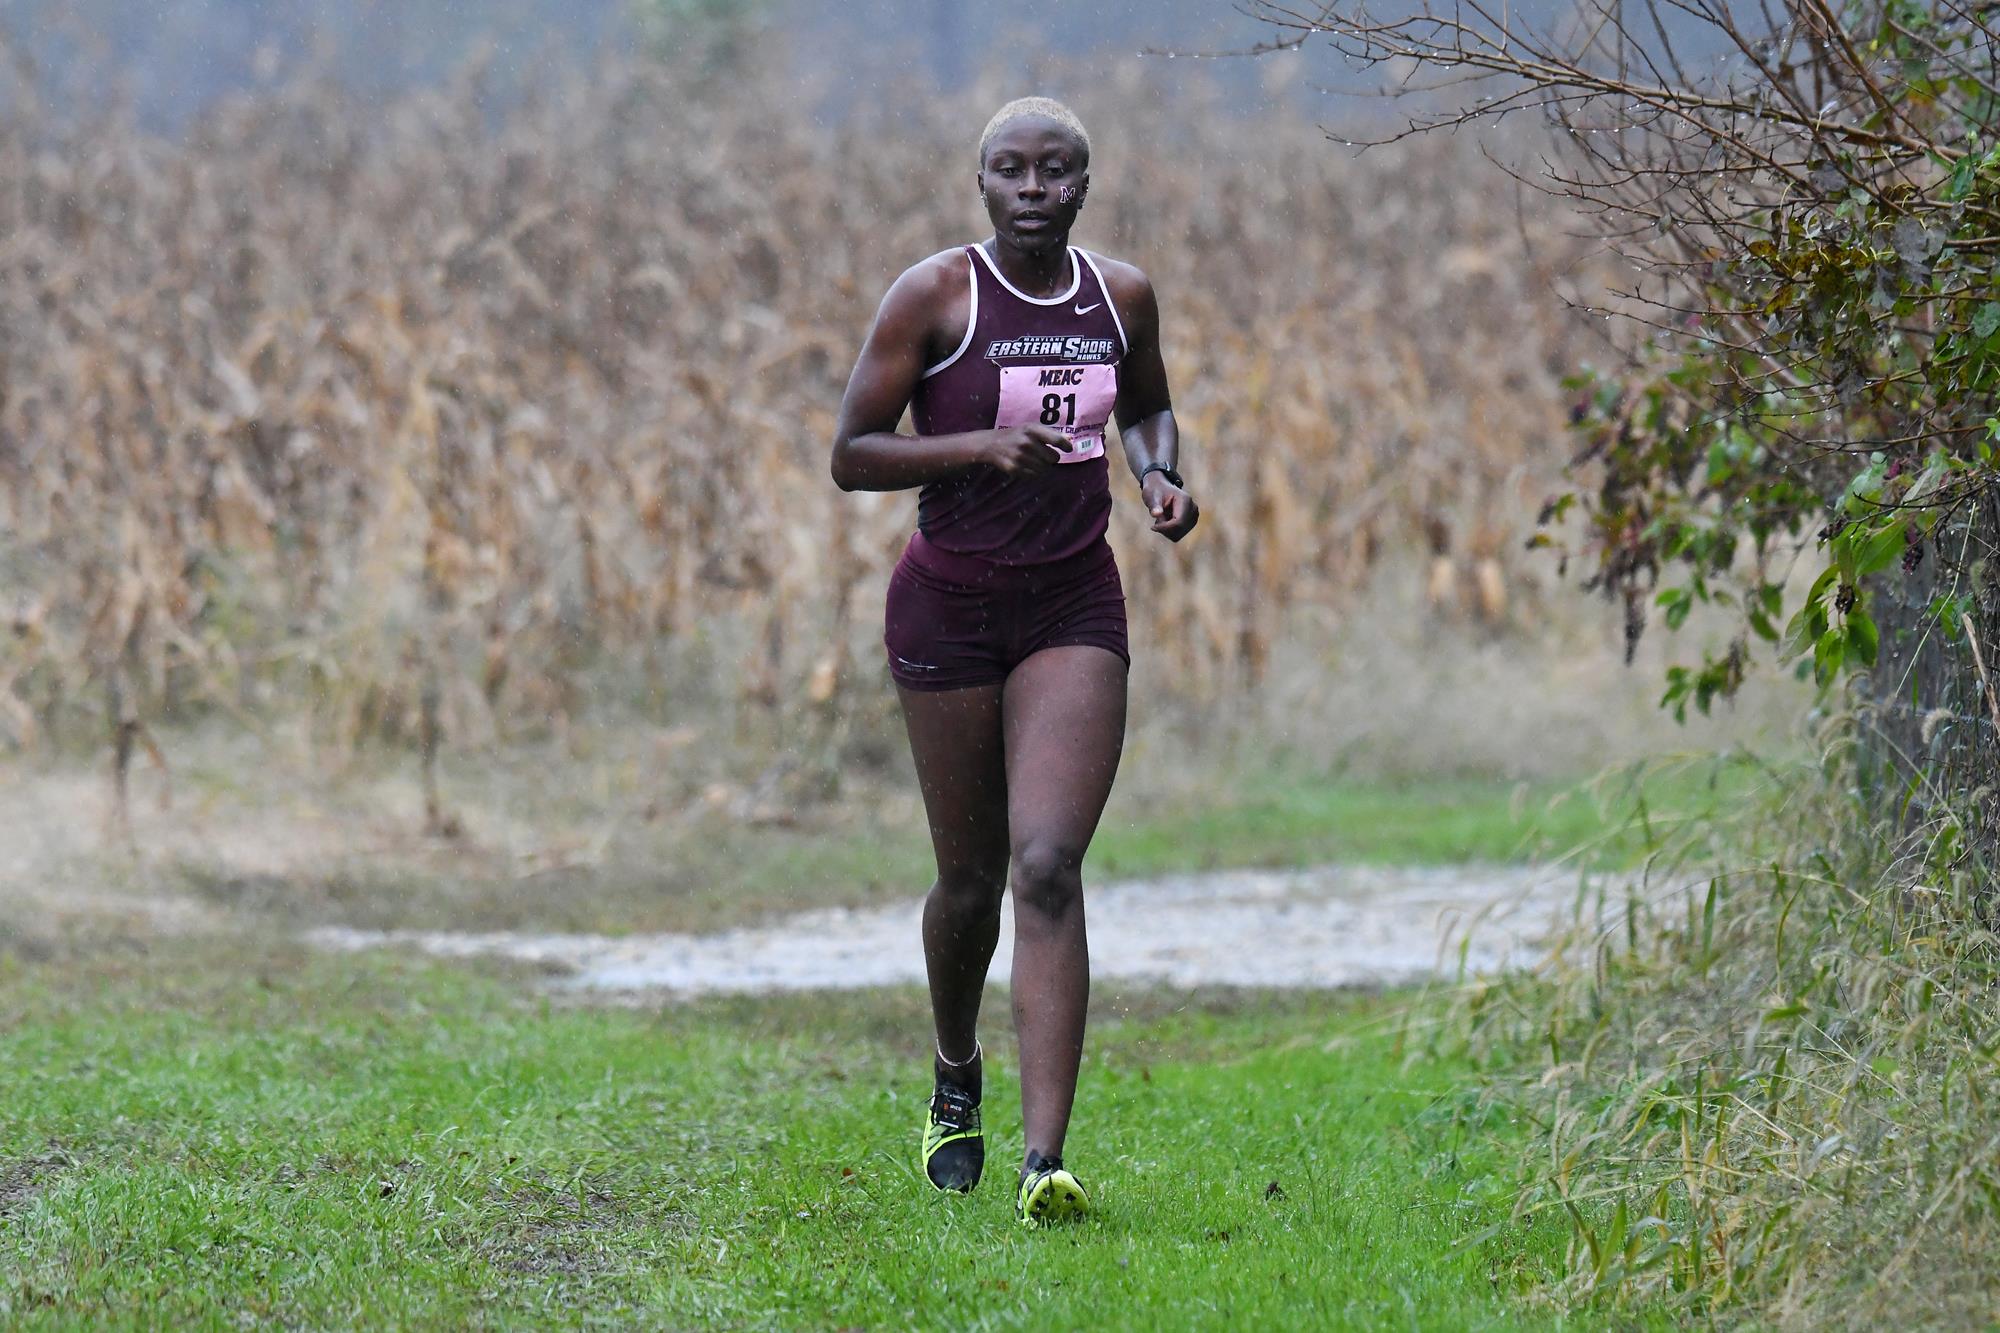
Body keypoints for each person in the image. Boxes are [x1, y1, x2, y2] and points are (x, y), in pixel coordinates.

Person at [830, 96, 1198, 1226]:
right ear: (980, 184)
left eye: (1054, 172)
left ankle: (1044, 1161)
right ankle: (954, 1072)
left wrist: (1157, 476)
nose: (1032, 189)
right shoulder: (935, 295)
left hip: (1070, 603)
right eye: (1010, 171)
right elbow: (852, 453)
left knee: (1047, 864)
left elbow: (1149, 409)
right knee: (971, 880)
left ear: (1084, 186)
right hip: (946, 609)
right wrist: (978, 446)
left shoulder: (1117, 296)